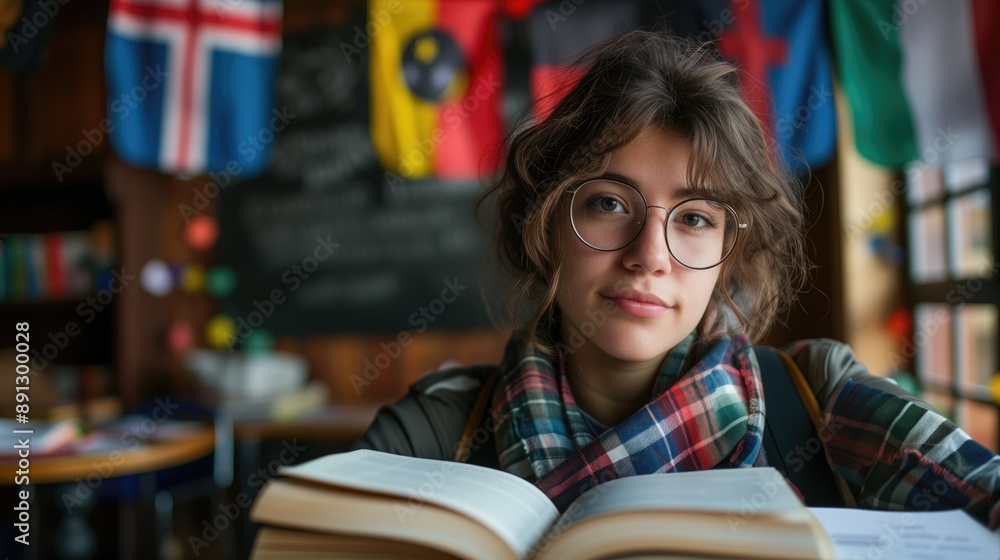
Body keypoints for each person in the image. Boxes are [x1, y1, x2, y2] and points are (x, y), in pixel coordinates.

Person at [354, 30, 1000, 527]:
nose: (649, 256)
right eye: (608, 204)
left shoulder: (821, 400)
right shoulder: (434, 435)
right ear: (547, 222)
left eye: (694, 217)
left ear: (728, 251)